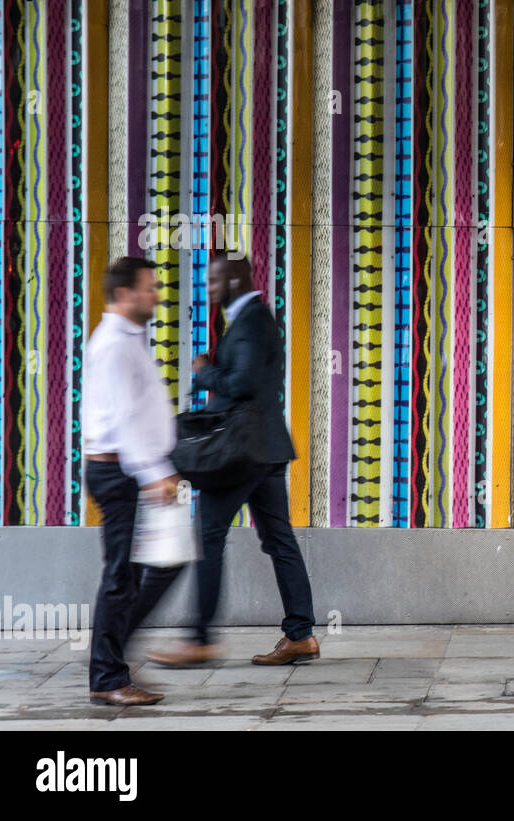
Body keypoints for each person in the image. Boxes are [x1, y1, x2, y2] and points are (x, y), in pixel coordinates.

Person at [146, 254, 319, 667]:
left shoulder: (253, 321)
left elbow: (242, 384)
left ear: (237, 280)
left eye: (215, 281)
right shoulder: (251, 320)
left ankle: (199, 640)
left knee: (207, 538)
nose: (209, 289)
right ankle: (301, 635)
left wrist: (205, 370)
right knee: (279, 542)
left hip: (243, 454)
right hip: (265, 450)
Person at [82, 257, 182, 706]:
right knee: (122, 576)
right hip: (120, 471)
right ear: (124, 294)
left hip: (130, 470)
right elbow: (124, 419)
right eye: (149, 287)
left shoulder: (127, 339)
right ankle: (107, 677)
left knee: (154, 565)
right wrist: (154, 474)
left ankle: (112, 657)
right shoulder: (116, 345)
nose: (156, 294)